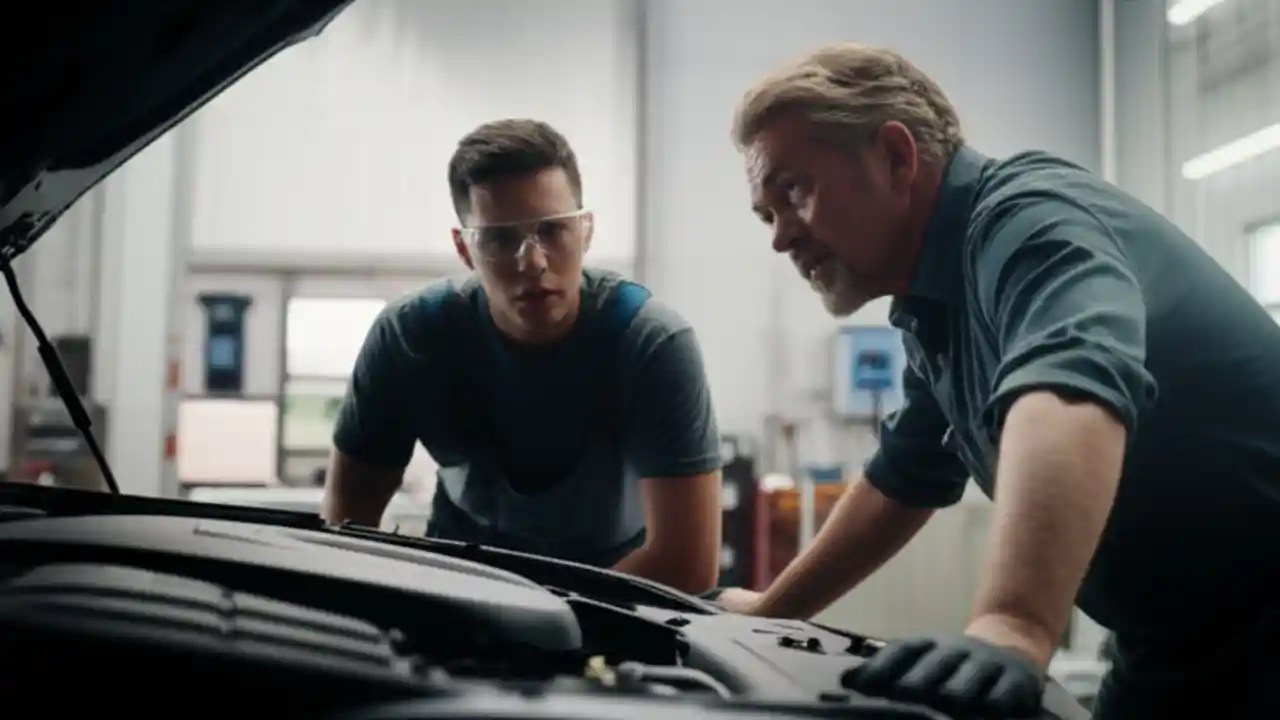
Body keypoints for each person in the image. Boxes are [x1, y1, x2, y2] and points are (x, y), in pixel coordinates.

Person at [714, 43, 1280, 719]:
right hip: (1178, 639)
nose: (780, 238)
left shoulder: (1029, 220)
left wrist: (1013, 625)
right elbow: (901, 479)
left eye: (794, 192)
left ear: (896, 158)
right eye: (766, 214)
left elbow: (1073, 385)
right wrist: (773, 614)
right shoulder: (937, 303)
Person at [321, 118, 724, 594]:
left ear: (586, 230)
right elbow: (346, 527)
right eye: (500, 239)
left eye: (553, 231)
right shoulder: (412, 336)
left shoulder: (650, 342)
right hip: (462, 582)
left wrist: (539, 620)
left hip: (621, 596)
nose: (532, 262)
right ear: (464, 248)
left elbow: (687, 565)